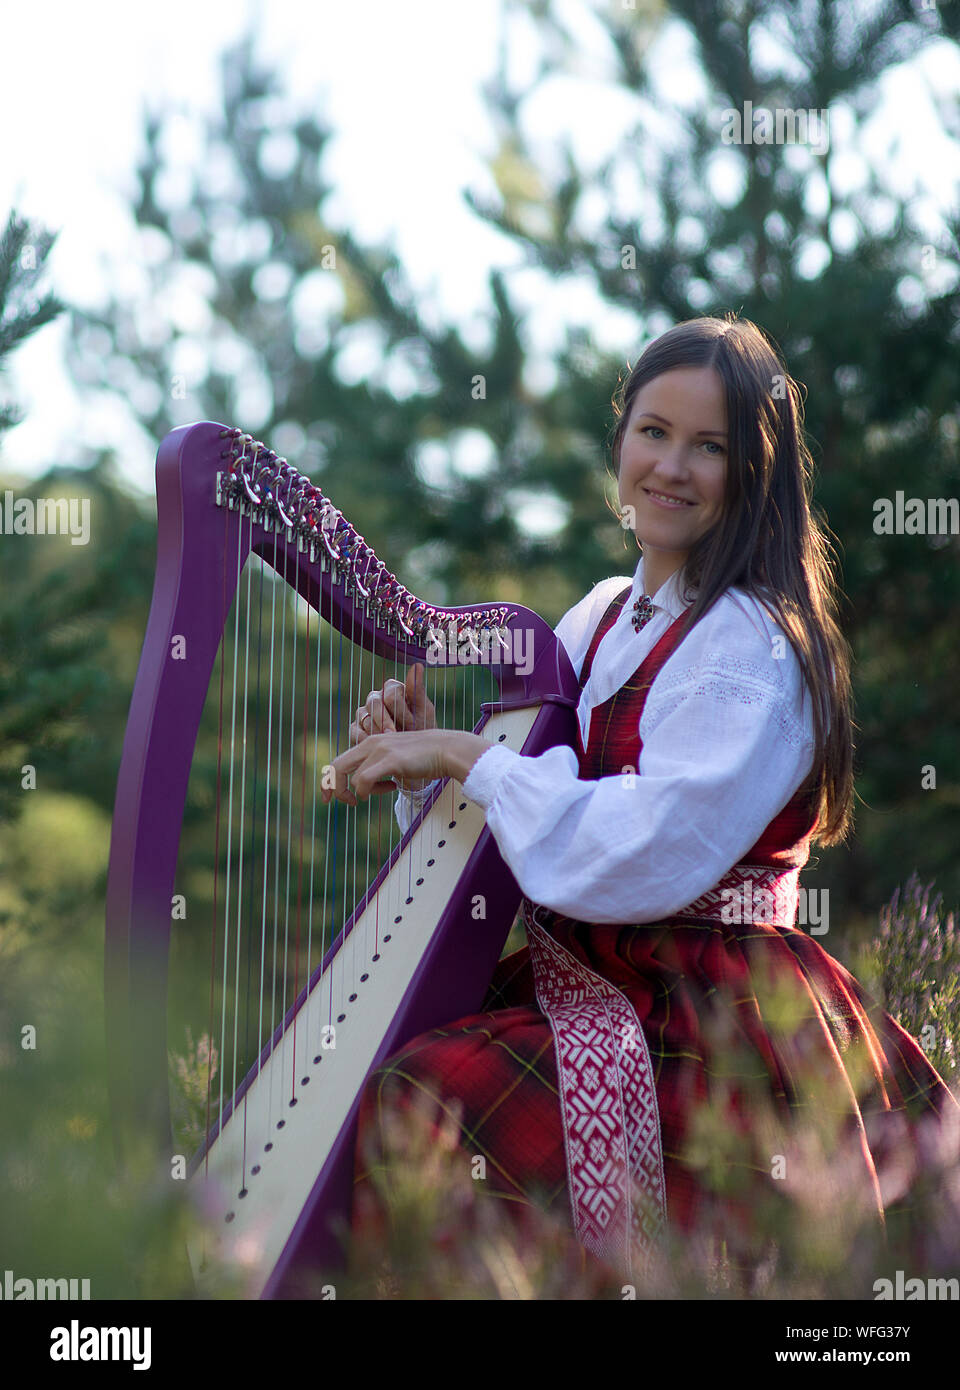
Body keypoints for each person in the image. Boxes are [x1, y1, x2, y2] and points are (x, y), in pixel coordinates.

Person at [320, 313, 958, 1288]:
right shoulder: (599, 618)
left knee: (430, 1091)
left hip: (711, 1002)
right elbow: (530, 831)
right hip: (594, 981)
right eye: (654, 431)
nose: (672, 465)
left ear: (755, 476)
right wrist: (430, 774)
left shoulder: (751, 640)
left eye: (711, 447)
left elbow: (646, 847)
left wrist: (466, 756)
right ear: (620, 440)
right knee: (410, 1080)